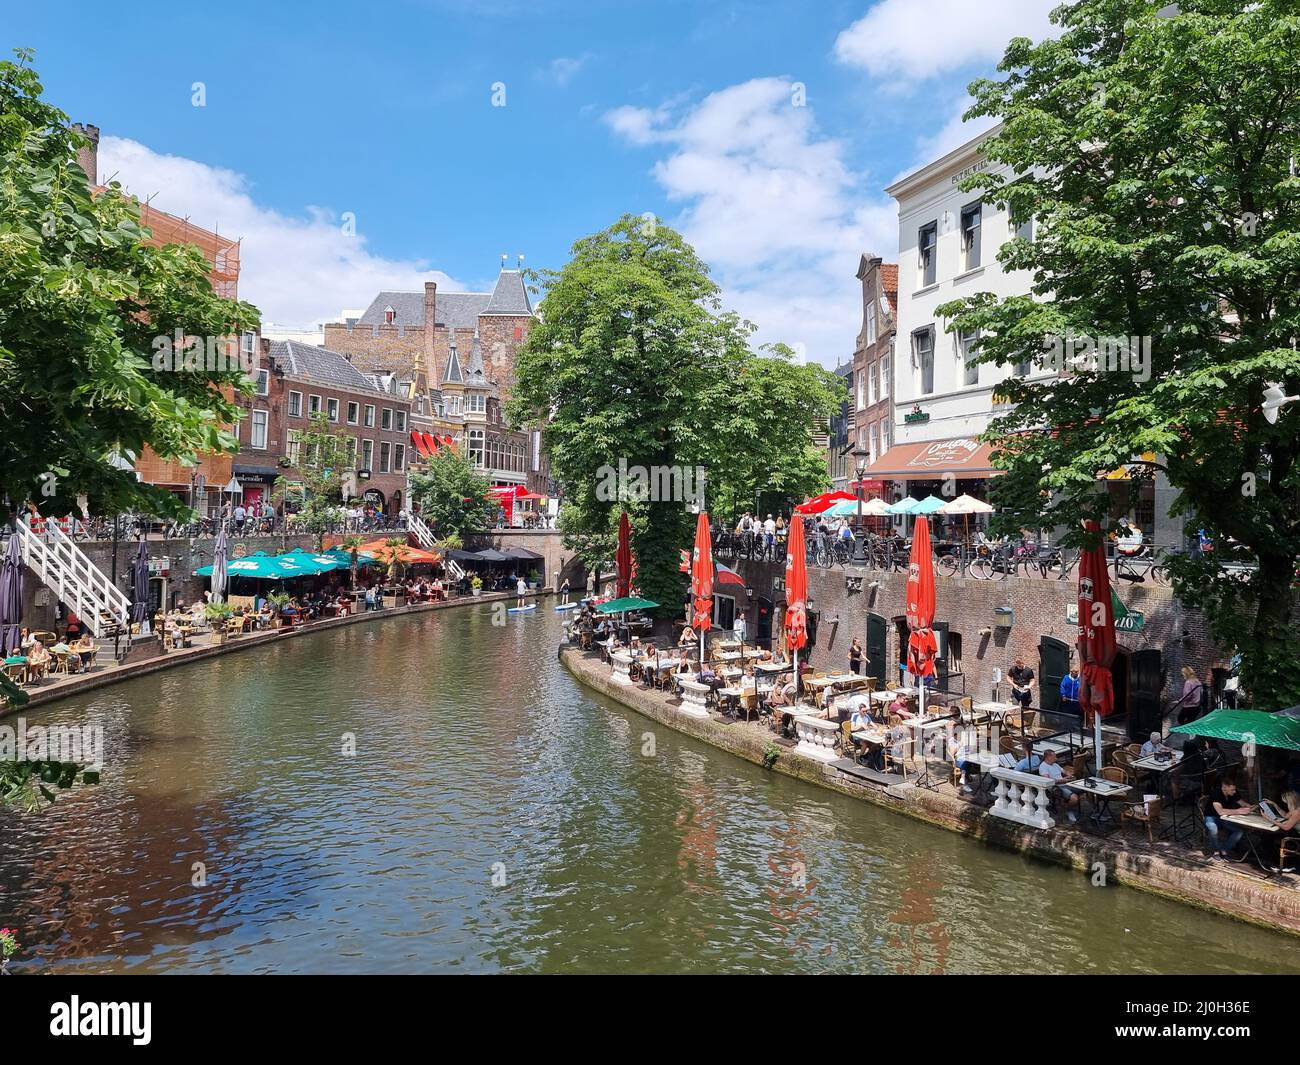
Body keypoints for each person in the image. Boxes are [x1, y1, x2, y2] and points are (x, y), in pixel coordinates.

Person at [1204, 776, 1248, 861]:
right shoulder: (1216, 793)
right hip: (1211, 816)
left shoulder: (1233, 793)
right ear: (1224, 788)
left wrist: (1253, 808)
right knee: (1213, 828)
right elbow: (1220, 811)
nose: (1234, 791)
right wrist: (1239, 811)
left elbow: (1243, 804)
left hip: (1225, 818)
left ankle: (1224, 850)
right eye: (1232, 790)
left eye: (1234, 789)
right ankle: (1216, 851)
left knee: (1239, 831)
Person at [1038, 748, 1080, 824]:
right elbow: (1048, 781)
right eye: (1054, 757)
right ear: (1048, 757)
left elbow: (1064, 771)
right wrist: (1062, 780)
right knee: (1074, 798)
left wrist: (1069, 775)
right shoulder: (1043, 767)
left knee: (1084, 789)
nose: (1056, 758)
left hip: (1064, 783)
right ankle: (1068, 809)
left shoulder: (1055, 764)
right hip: (1057, 787)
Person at [949, 729, 979, 793]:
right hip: (959, 759)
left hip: (967, 757)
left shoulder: (965, 741)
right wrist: (953, 761)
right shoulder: (953, 741)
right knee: (965, 761)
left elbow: (970, 751)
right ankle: (964, 783)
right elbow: (952, 753)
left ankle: (964, 777)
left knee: (973, 761)